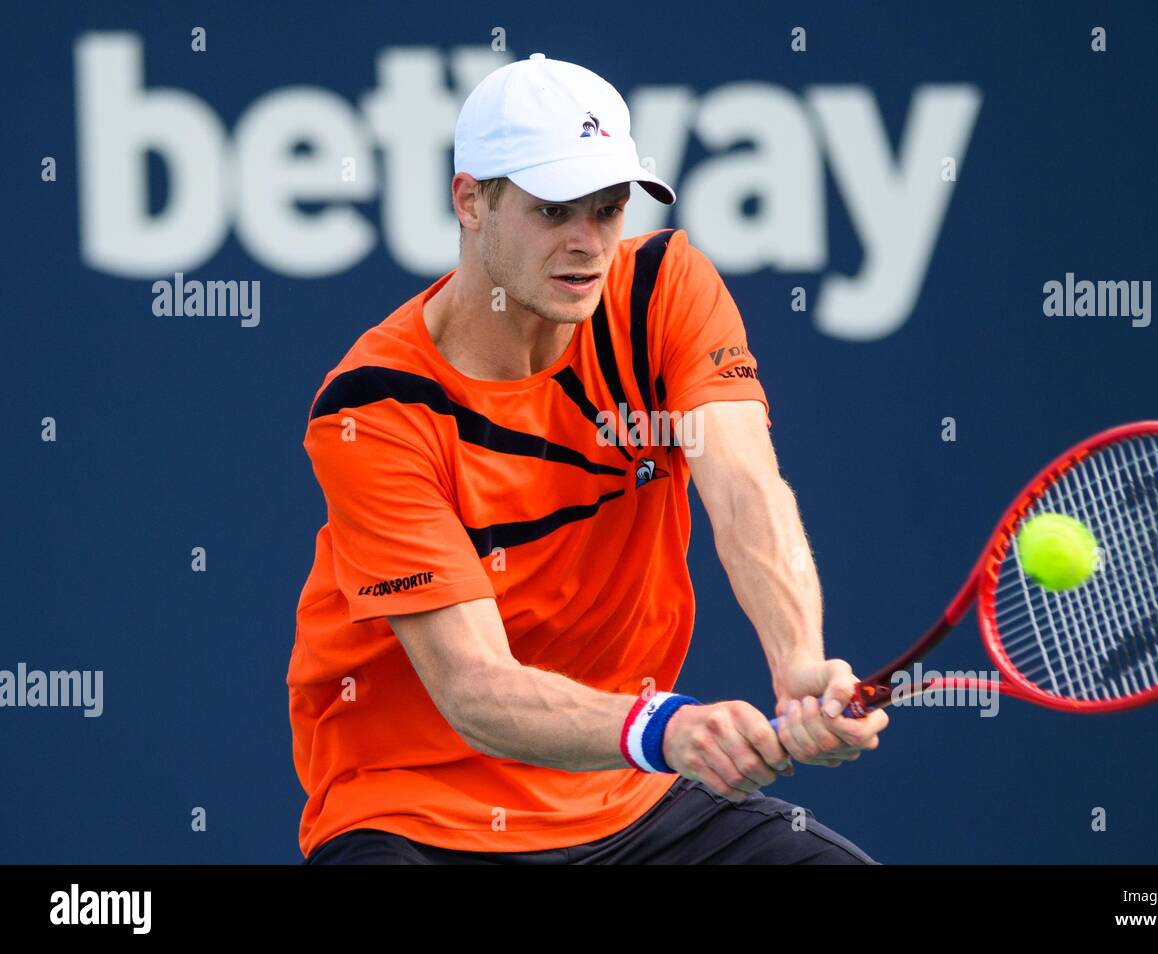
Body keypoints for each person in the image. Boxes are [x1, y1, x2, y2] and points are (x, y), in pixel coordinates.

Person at [289, 52, 889, 865]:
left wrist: (798, 661)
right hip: (416, 816)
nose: (587, 243)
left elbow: (748, 490)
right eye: (554, 210)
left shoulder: (664, 290)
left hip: (628, 801)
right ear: (470, 199)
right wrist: (666, 727)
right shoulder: (373, 409)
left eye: (608, 209)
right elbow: (475, 689)